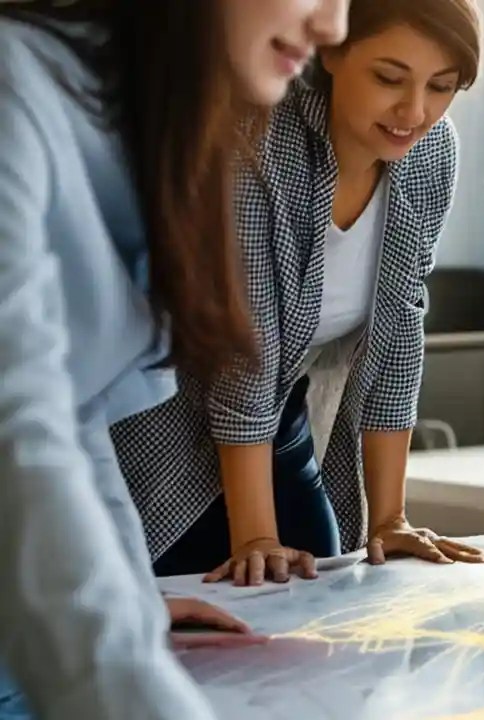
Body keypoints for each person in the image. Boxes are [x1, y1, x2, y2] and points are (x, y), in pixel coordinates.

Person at [0, 0, 349, 718]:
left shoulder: (141, 130)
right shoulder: (13, 94)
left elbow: (78, 423)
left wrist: (132, 600)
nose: (333, 28)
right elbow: (19, 439)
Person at [111, 0, 484, 585]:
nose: (414, 111)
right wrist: (256, 536)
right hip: (162, 423)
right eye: (389, 78)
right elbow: (245, 352)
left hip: (278, 420)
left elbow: (398, 333)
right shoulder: (257, 140)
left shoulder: (431, 154)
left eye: (441, 87)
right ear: (333, 50)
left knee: (328, 589)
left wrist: (389, 518)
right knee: (200, 619)